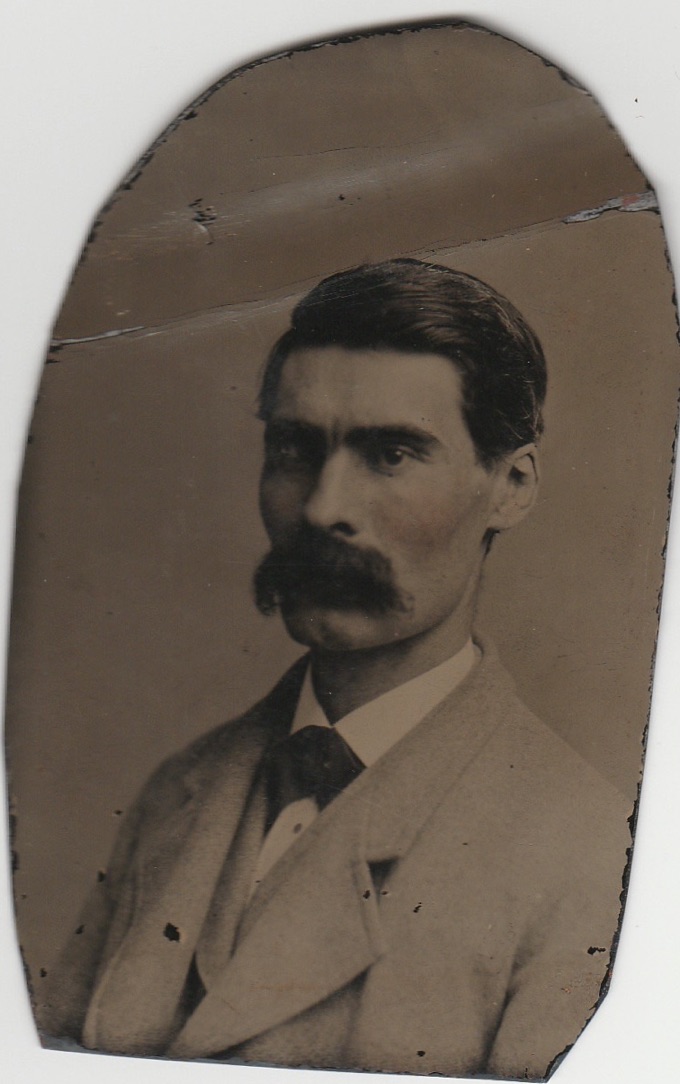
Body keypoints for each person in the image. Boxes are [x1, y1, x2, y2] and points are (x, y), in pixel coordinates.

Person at [39, 259, 632, 1081]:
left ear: (511, 486)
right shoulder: (175, 794)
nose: (322, 508)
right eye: (295, 449)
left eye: (390, 454)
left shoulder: (595, 864)